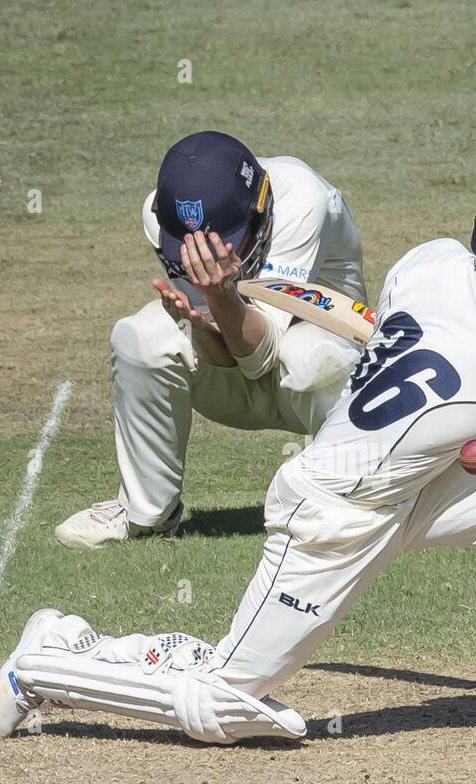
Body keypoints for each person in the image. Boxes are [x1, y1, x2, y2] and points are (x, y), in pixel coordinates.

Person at [0, 168, 476, 755]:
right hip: (329, 514)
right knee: (226, 703)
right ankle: (52, 657)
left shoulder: (433, 259)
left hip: (413, 484)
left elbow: (423, 350)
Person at [55, 130, 367, 548]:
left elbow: (262, 356)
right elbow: (236, 352)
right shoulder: (159, 217)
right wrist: (198, 327)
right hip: (236, 369)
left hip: (323, 387)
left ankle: (348, 498)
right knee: (141, 336)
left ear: (261, 208)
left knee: (312, 355)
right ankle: (146, 514)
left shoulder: (303, 202)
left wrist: (221, 298)